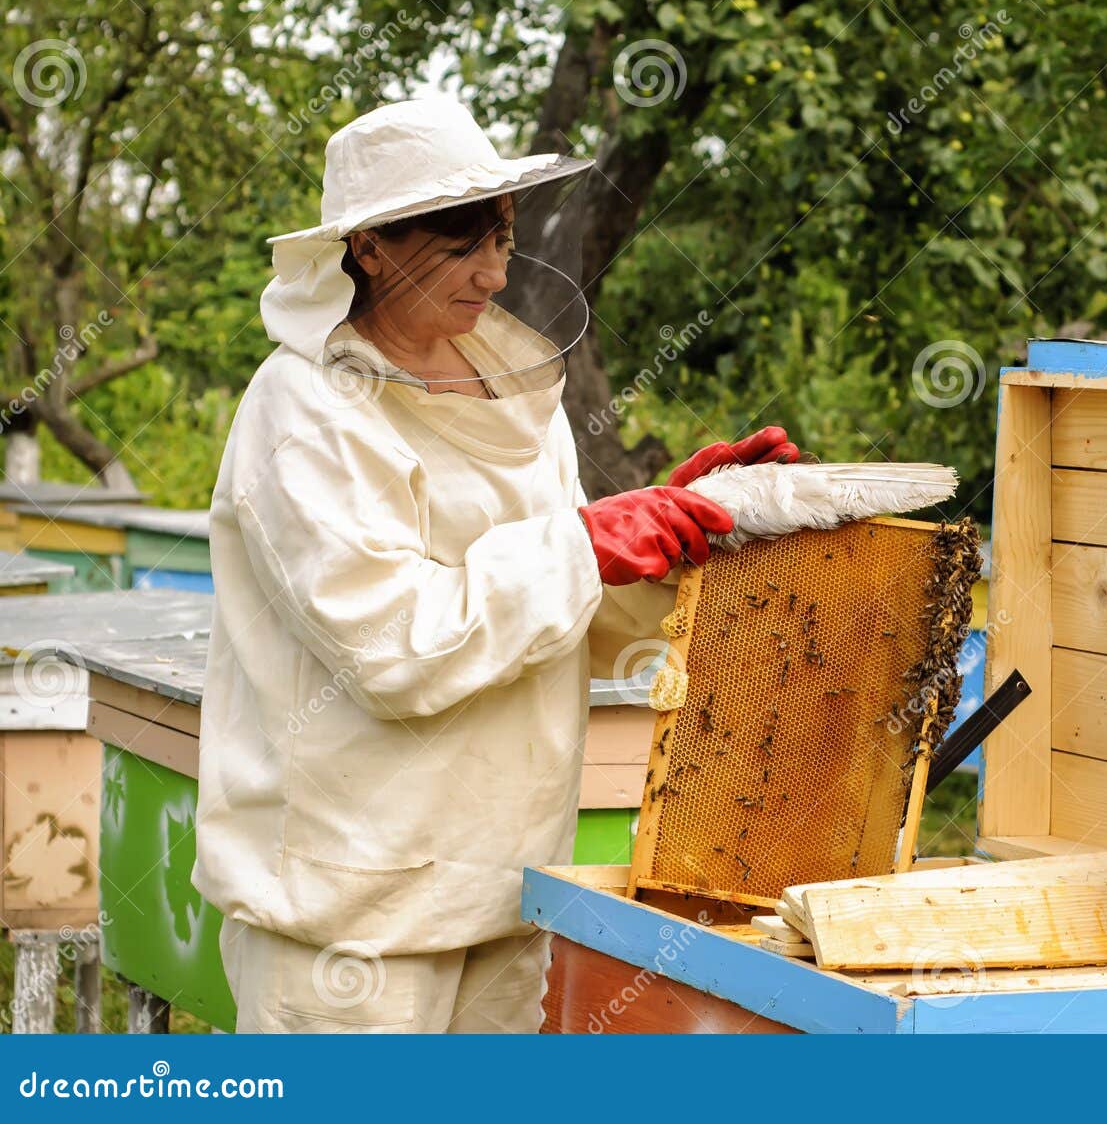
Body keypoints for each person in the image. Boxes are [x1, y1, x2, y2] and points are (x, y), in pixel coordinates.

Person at [194, 98, 798, 1032]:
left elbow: (555, 621)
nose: (495, 271)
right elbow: (395, 648)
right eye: (461, 245)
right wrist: (587, 542)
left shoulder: (511, 391)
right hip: (351, 922)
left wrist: (682, 540)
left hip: (507, 889)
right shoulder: (306, 408)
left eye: (504, 239)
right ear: (369, 248)